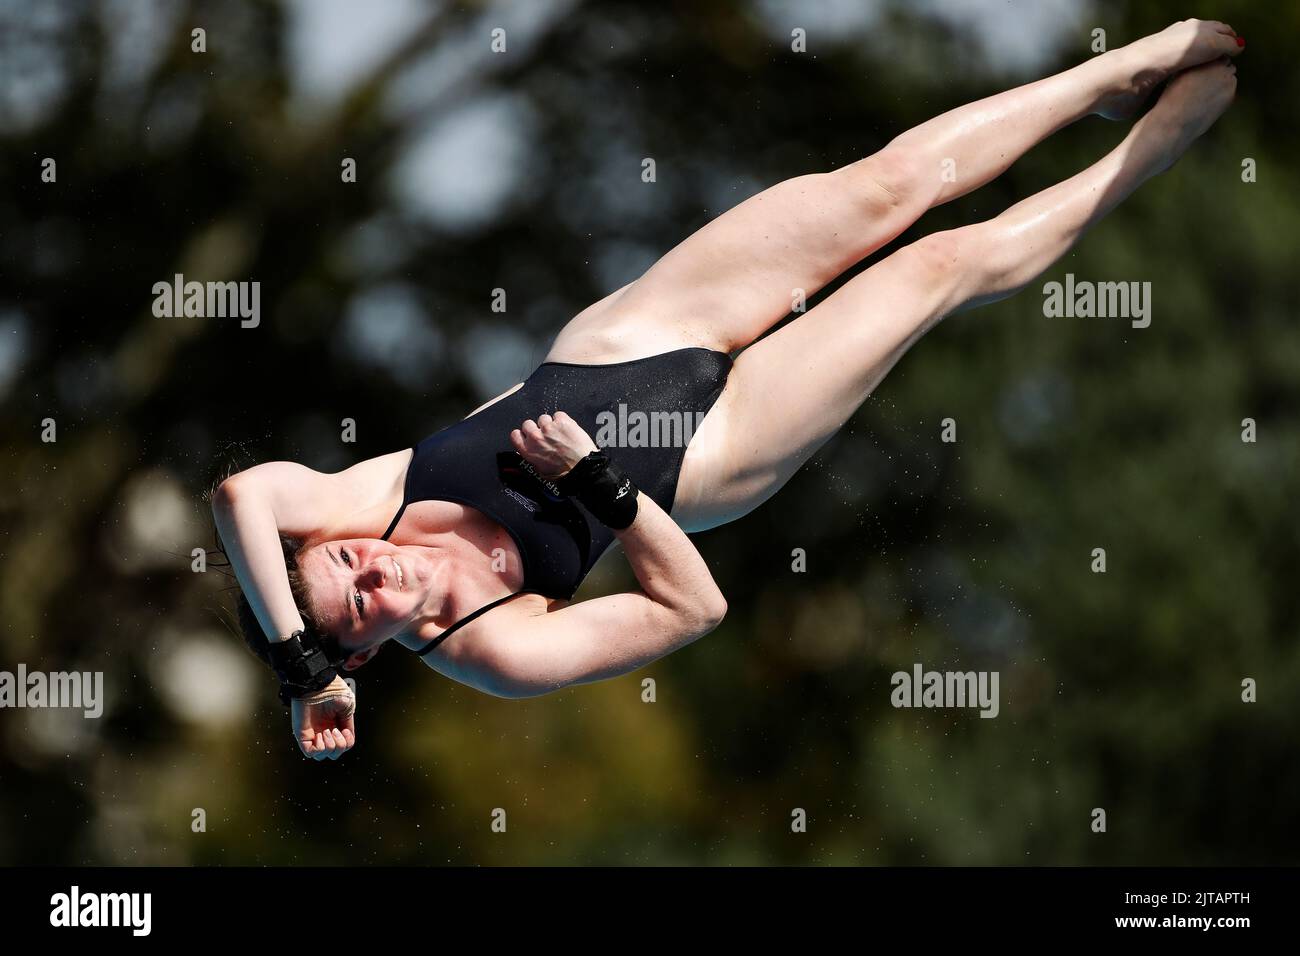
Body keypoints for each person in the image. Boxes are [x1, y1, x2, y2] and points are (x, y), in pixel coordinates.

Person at [212, 20, 1242, 759]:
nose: (370, 568)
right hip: (707, 457)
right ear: (372, 645)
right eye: (357, 602)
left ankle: (1112, 70)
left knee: (881, 188)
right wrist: (601, 485)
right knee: (935, 269)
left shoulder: (365, 501)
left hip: (624, 342)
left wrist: (298, 661)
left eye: (345, 561)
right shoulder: (491, 647)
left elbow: (241, 496)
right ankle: (1151, 146)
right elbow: (692, 606)